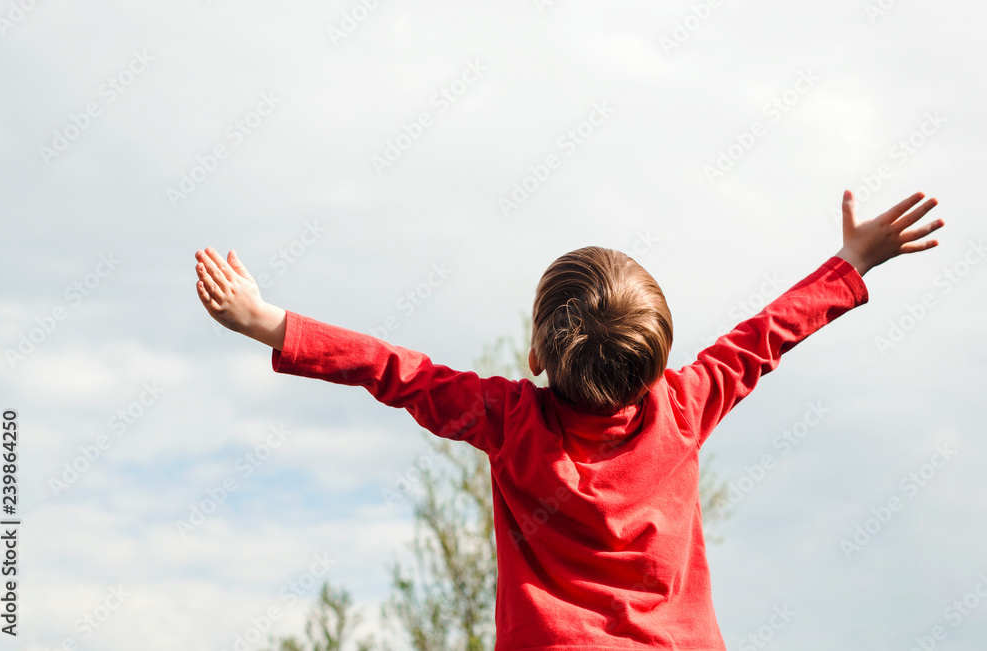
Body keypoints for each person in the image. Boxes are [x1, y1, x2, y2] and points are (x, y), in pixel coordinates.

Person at [193, 190, 943, 649]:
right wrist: (851, 263)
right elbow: (767, 334)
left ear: (537, 352)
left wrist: (270, 322)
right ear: (656, 360)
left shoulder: (509, 419)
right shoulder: (685, 405)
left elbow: (395, 369)